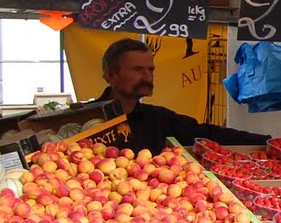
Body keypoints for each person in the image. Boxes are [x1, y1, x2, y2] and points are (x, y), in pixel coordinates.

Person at [98, 38, 270, 154]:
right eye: (137, 70)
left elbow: (207, 133)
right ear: (111, 75)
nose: (147, 76)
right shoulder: (85, 121)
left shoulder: (159, 118)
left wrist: (268, 142)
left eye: (150, 70)